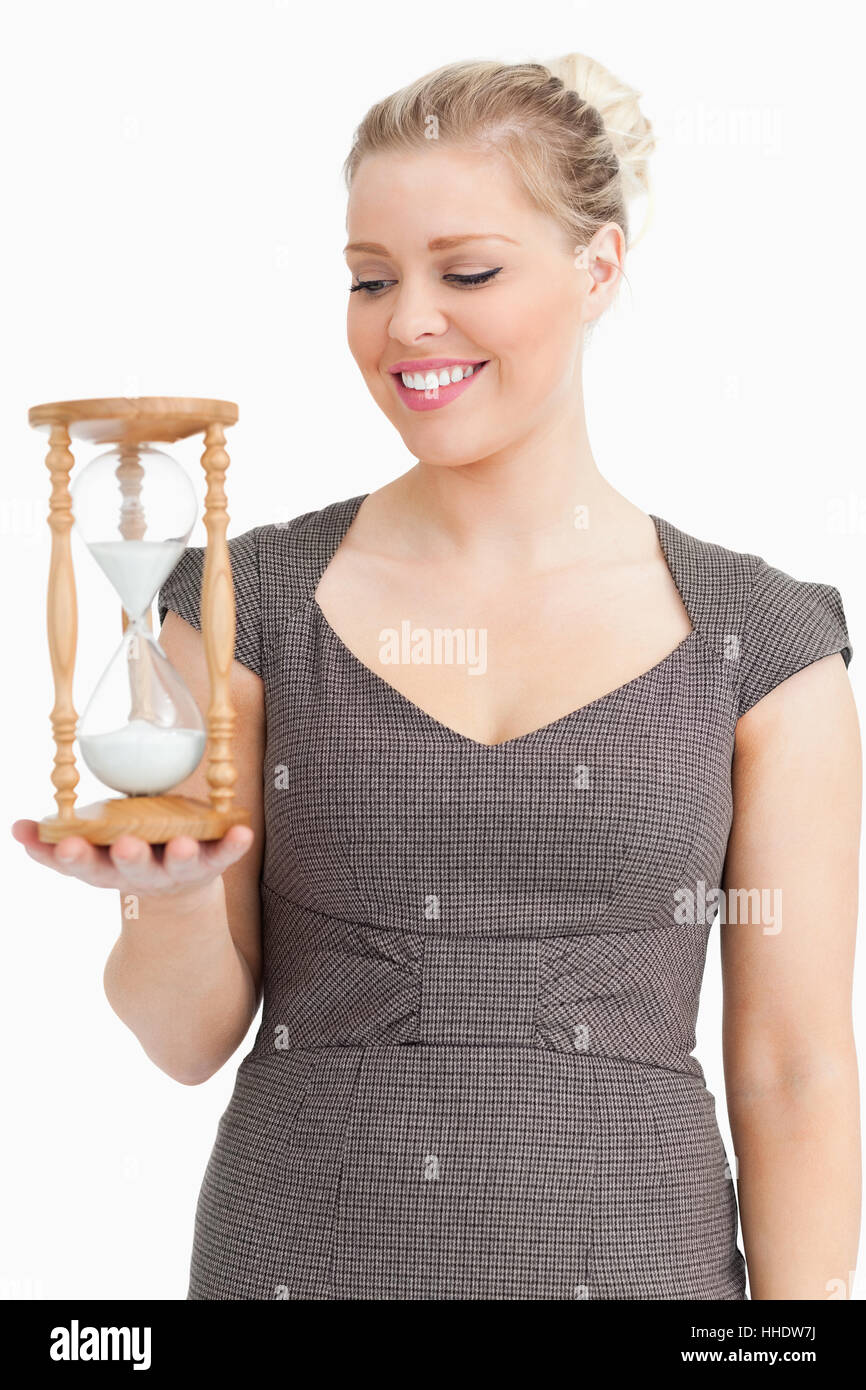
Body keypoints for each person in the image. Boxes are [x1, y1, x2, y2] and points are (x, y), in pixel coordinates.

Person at [14, 55, 860, 1301]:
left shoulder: (757, 641)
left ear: (598, 267)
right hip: (299, 1264)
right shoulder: (243, 609)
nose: (407, 320)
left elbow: (792, 1061)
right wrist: (177, 900)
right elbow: (183, 1039)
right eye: (368, 278)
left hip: (642, 1278)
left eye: (466, 271)